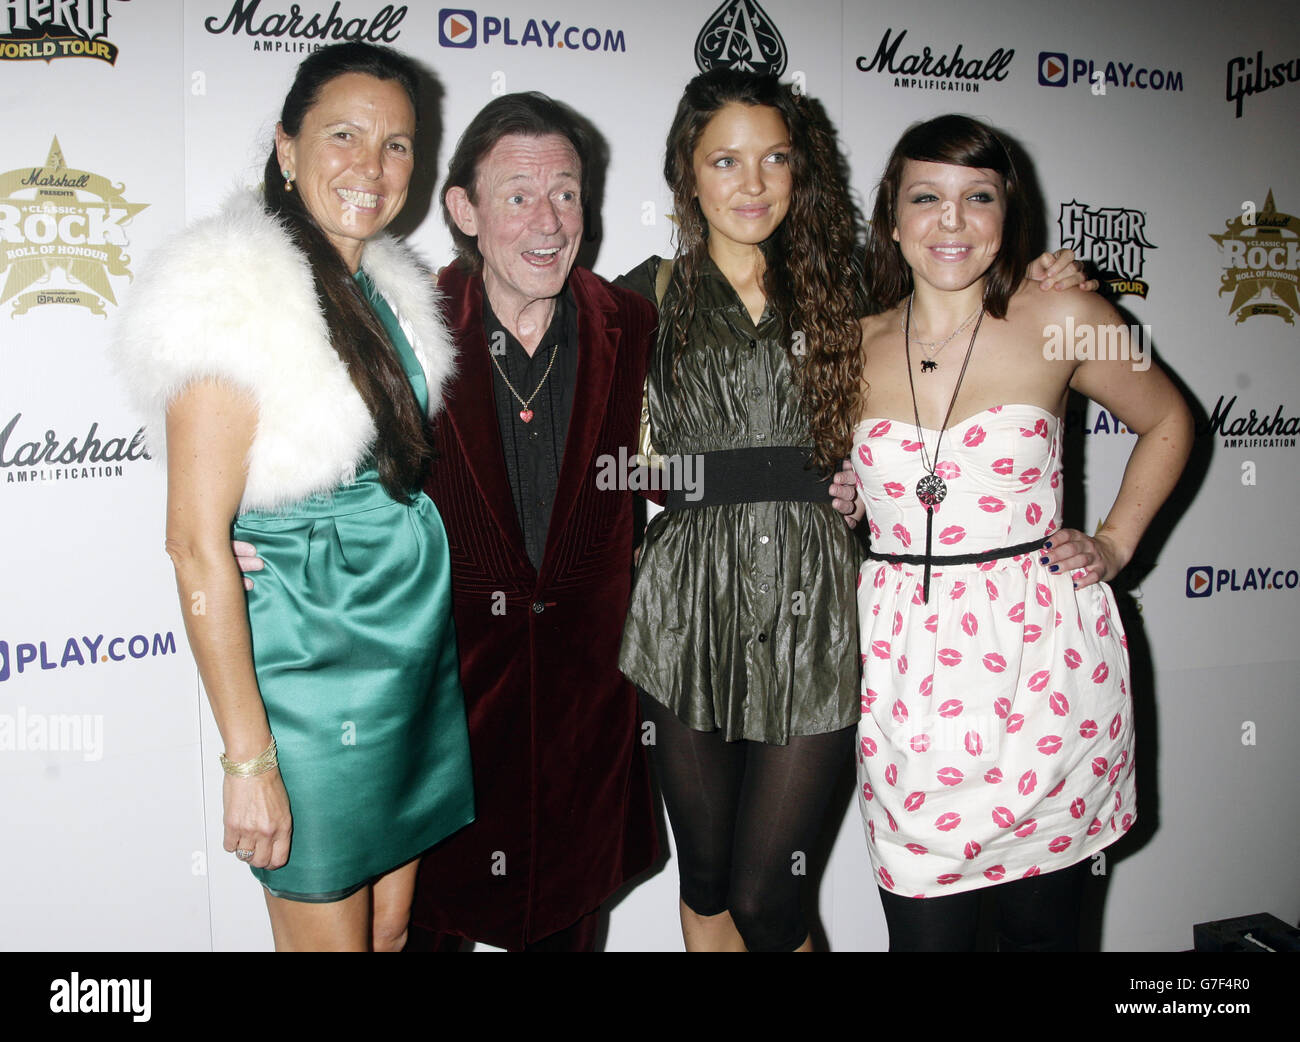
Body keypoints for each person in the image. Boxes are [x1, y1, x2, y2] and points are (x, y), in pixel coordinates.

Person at [617, 73, 1093, 953]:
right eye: (726, 160)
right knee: (710, 880)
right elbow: (593, 445)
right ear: (687, 171)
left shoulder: (851, 291)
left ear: (801, 173)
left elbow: (957, 297)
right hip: (687, 599)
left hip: (818, 601)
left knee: (769, 898)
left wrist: (1040, 274)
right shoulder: (639, 298)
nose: (752, 183)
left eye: (775, 160)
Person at [112, 42, 473, 951]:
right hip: (307, 681)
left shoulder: (383, 287)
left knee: (391, 934)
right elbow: (196, 543)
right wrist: (249, 760)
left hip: (405, 653)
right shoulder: (232, 289)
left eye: (397, 145)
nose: (373, 166)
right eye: (343, 135)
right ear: (285, 146)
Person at [850, 114, 1192, 951]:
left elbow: (1171, 420)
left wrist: (1115, 541)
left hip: (1045, 676)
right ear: (892, 219)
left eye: (979, 197)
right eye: (926, 198)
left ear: (1009, 215)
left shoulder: (1060, 311)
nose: (953, 221)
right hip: (909, 688)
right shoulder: (845, 344)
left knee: (1045, 938)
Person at [404, 93, 661, 951]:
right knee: (426, 930)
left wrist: (825, 483)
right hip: (445, 722)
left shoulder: (632, 322)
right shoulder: (407, 325)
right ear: (464, 210)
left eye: (567, 193)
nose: (548, 221)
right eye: (518, 196)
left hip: (584, 726)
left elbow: (707, 441)